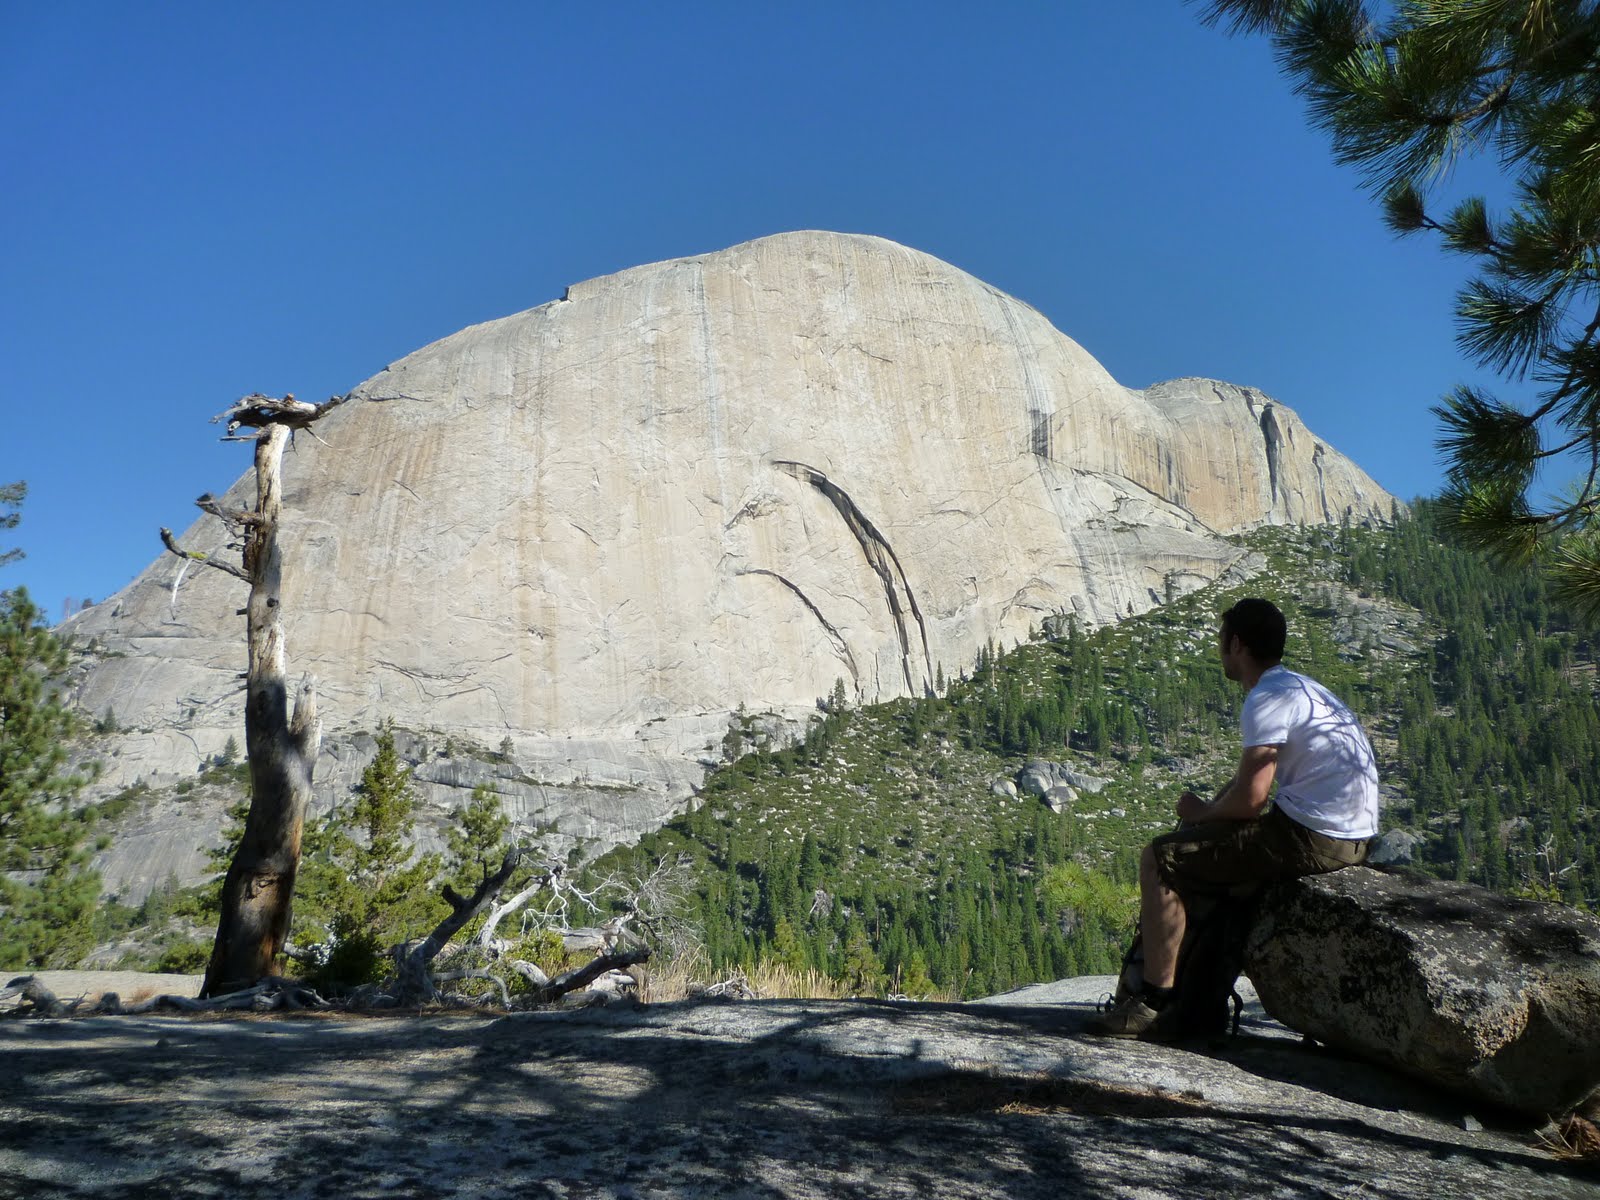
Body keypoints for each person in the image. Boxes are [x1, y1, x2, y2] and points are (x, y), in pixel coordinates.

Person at [1089, 597, 1379, 1039]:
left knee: (1161, 858)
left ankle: (1152, 1002)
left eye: (1221, 641)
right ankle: (1199, 1004)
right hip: (1352, 835)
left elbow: (1251, 802)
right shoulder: (1302, 688)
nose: (1219, 649)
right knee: (1212, 861)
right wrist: (1210, 817)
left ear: (1237, 644)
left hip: (1313, 837)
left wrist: (1199, 813)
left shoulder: (1265, 696)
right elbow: (1248, 780)